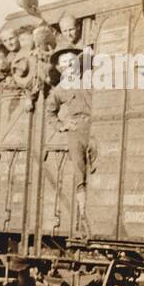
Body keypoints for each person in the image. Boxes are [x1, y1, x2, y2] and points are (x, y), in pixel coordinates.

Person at [46, 46, 95, 233]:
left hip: (97, 126)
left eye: (72, 61)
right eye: (64, 63)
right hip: (76, 131)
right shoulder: (59, 90)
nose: (69, 66)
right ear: (59, 68)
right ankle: (84, 216)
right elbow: (50, 113)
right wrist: (62, 125)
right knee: (80, 174)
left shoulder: (91, 78)